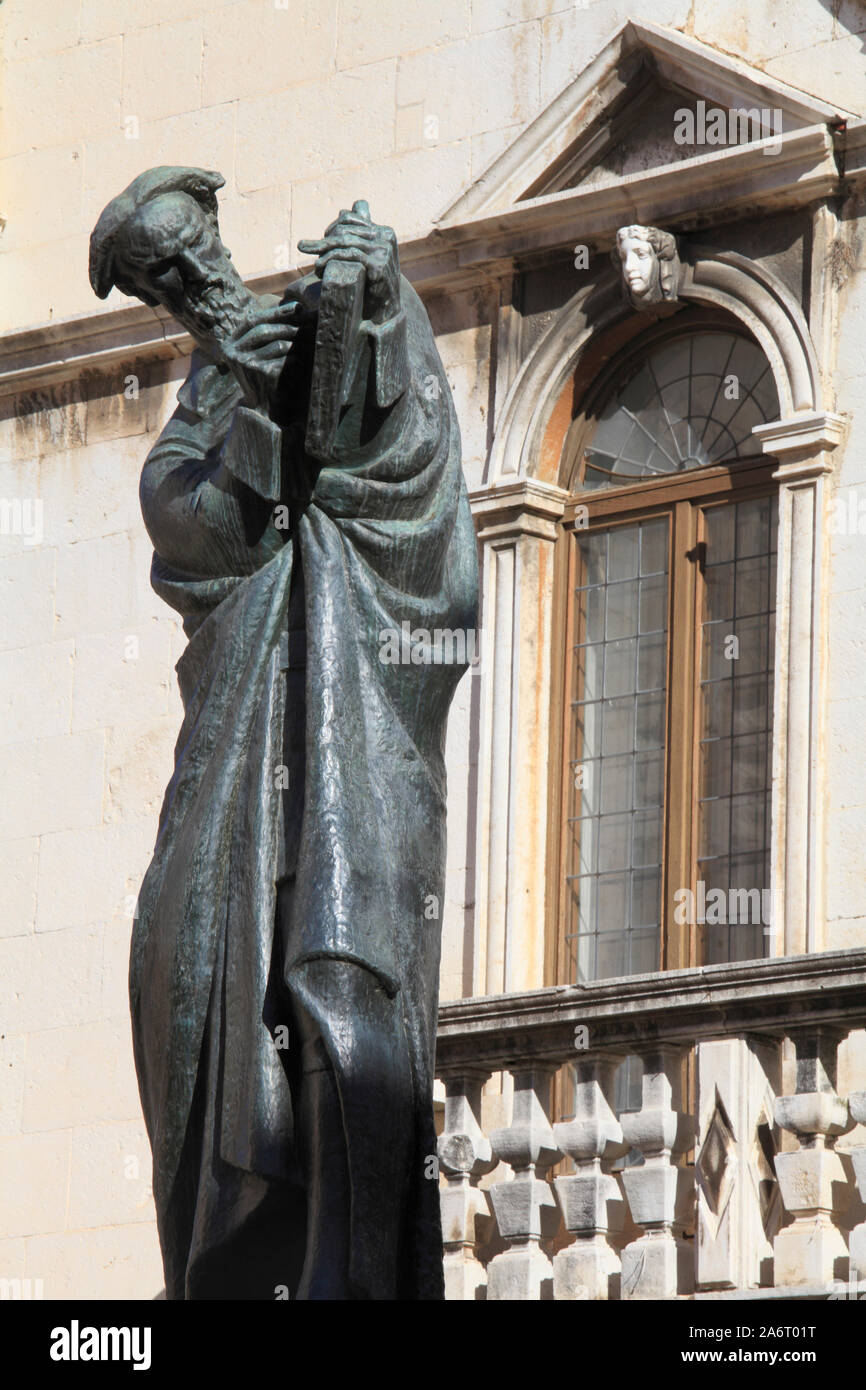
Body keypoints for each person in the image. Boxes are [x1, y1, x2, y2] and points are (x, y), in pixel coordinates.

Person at [89, 167, 478, 1300]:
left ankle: (343, 1274)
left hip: (348, 722)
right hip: (238, 755)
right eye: (163, 272)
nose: (192, 275)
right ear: (157, 297)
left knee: (337, 983)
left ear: (218, 232)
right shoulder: (192, 423)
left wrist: (376, 302)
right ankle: (241, 1252)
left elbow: (398, 474)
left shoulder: (330, 317)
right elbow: (198, 534)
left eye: (192, 246)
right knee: (189, 970)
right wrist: (254, 418)